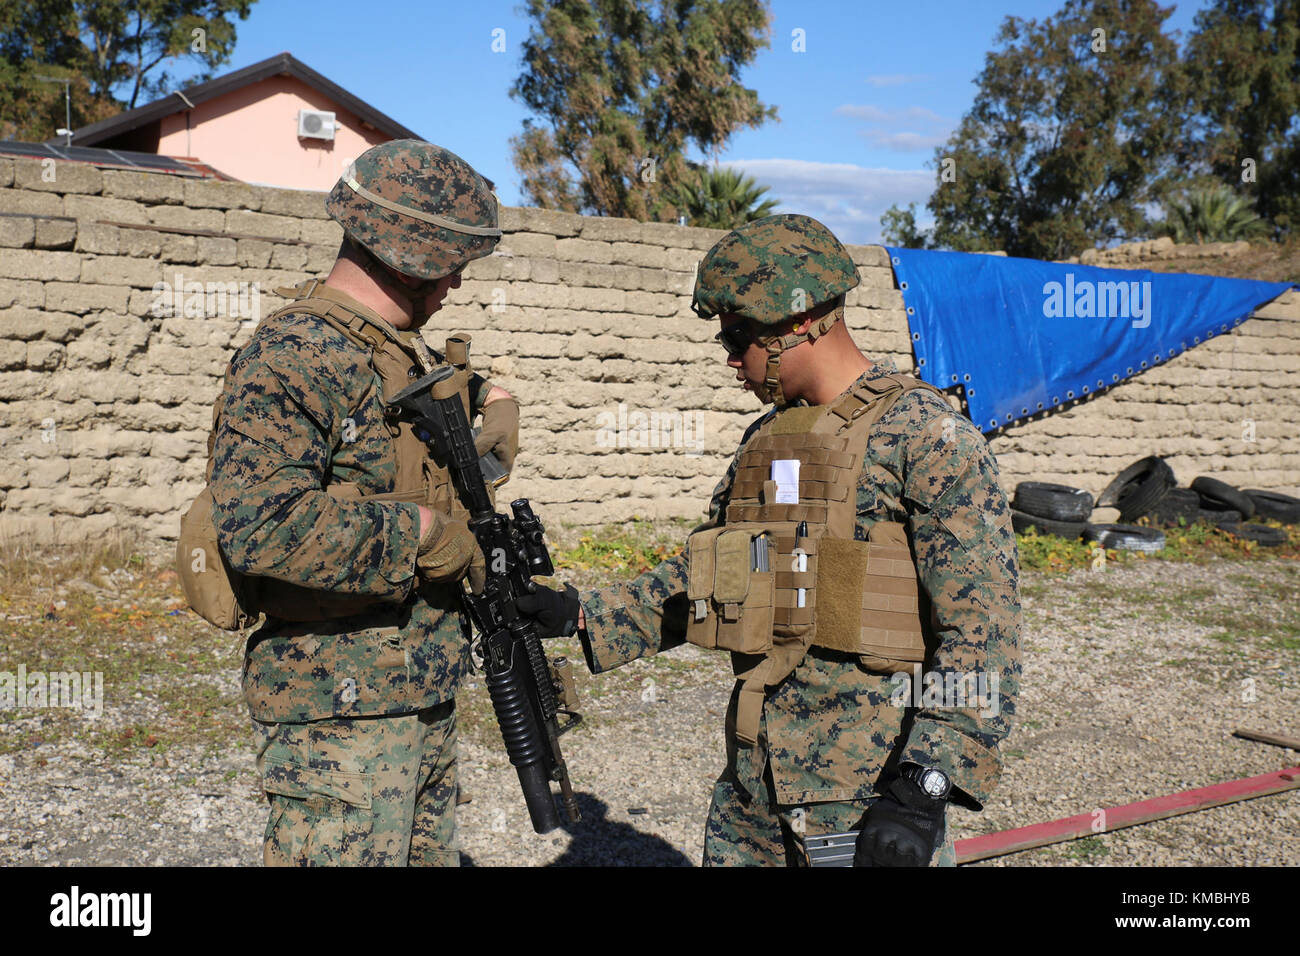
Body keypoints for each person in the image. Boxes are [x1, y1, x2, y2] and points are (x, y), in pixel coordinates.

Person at [519, 214, 1021, 866]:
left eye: (737, 336)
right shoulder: (768, 440)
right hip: (753, 794)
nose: (729, 358)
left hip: (867, 800)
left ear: (796, 323)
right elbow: (716, 570)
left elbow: (983, 630)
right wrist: (584, 614)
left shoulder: (926, 435)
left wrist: (927, 783)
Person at [208, 139, 519, 866]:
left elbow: (403, 448)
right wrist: (421, 534)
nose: (456, 286)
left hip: (415, 691)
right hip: (337, 712)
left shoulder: (392, 351)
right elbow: (259, 525)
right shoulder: (294, 352)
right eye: (451, 265)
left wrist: (489, 401)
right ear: (409, 252)